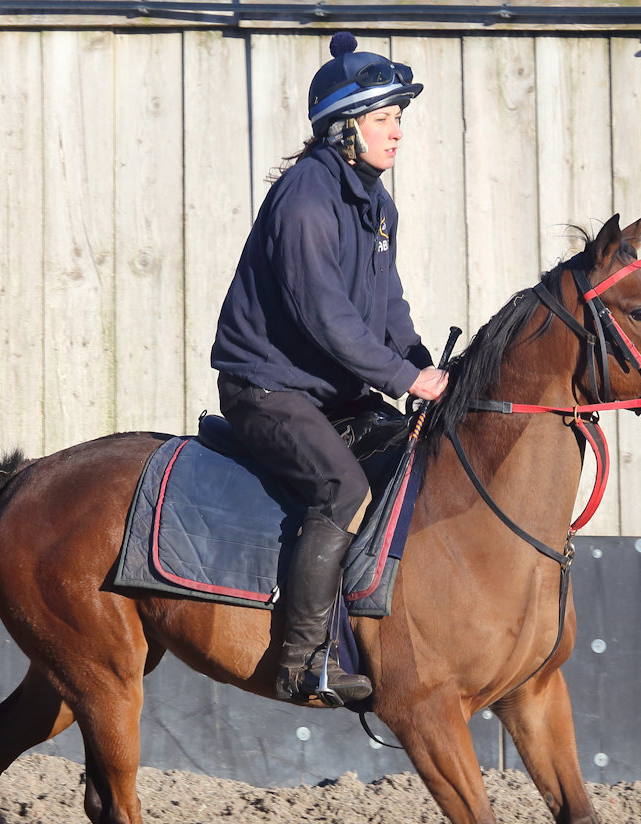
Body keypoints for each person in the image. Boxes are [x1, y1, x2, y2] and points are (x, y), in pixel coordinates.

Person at [211, 31, 448, 709]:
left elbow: (386, 303)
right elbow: (327, 317)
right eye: (384, 120)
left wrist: (423, 364)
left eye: (399, 118)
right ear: (345, 131)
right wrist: (403, 381)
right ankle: (303, 662)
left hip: (328, 395)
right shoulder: (305, 198)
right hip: (268, 391)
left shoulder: (376, 204)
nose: (397, 132)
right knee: (342, 489)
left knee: (417, 456)